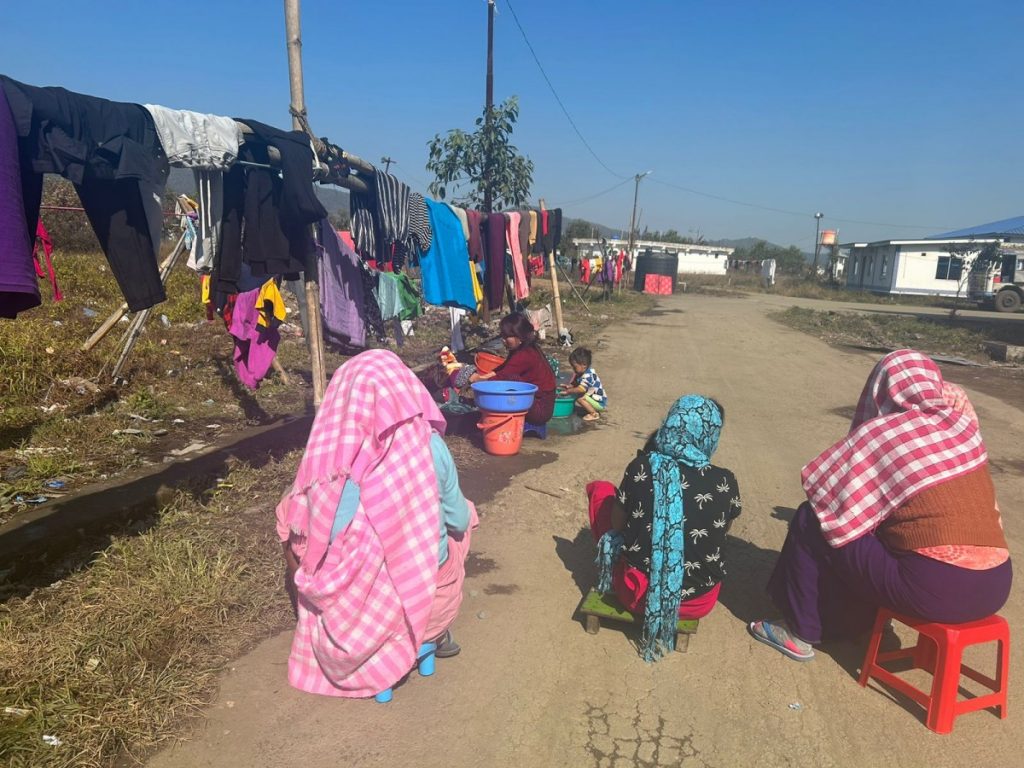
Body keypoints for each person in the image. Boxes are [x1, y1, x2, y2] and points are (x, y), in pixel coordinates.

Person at [749, 350, 1011, 662]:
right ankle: (868, 625)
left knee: (814, 517)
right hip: (996, 586)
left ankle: (799, 632)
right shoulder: (962, 428)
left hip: (934, 591)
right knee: (885, 534)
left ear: (882, 387)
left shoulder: (885, 432)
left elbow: (827, 494)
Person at [276, 350, 479, 697]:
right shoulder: (431, 445)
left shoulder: (334, 458)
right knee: (464, 518)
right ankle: (430, 638)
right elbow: (458, 519)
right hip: (431, 596)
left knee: (288, 516)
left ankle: (371, 658)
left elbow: (326, 534)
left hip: (365, 615)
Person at [588, 395, 743, 660]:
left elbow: (617, 525)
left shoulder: (641, 467)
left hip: (637, 595)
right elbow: (723, 529)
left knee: (601, 492)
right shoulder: (726, 481)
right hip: (699, 601)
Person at [472, 312, 556, 425]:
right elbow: (504, 368)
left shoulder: (525, 355)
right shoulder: (523, 349)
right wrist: (483, 377)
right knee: (510, 380)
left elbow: (503, 377)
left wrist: (479, 381)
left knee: (512, 380)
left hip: (540, 408)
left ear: (519, 336)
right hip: (536, 401)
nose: (503, 340)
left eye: (507, 336)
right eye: (502, 335)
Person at [561, 347, 607, 422]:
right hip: (594, 398)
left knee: (579, 398)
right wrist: (569, 386)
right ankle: (590, 408)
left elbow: (581, 389)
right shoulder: (582, 372)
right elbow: (576, 383)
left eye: (575, 367)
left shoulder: (588, 376)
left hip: (600, 403)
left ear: (584, 365)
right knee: (576, 393)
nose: (573, 369)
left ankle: (594, 414)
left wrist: (569, 391)